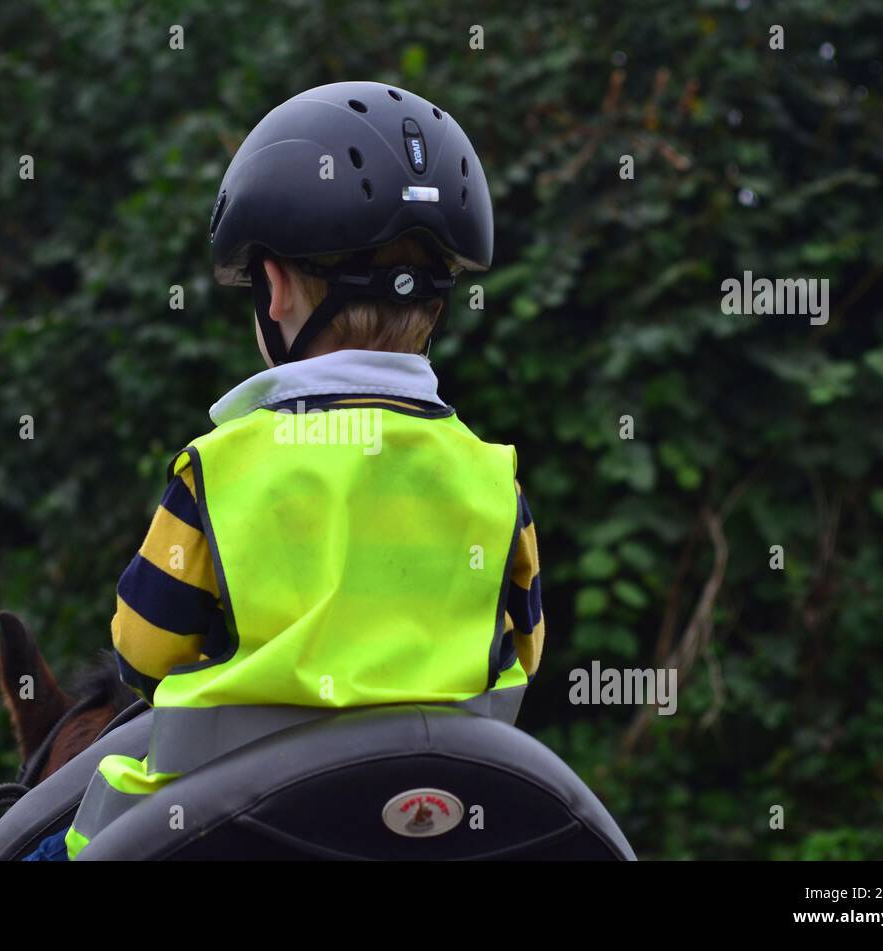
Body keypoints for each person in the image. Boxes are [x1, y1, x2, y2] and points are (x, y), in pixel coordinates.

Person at [62, 81, 545, 859]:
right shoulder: (496, 481)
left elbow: (142, 649)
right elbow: (525, 651)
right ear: (439, 302)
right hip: (443, 828)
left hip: (221, 832)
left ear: (276, 288)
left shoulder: (218, 471)